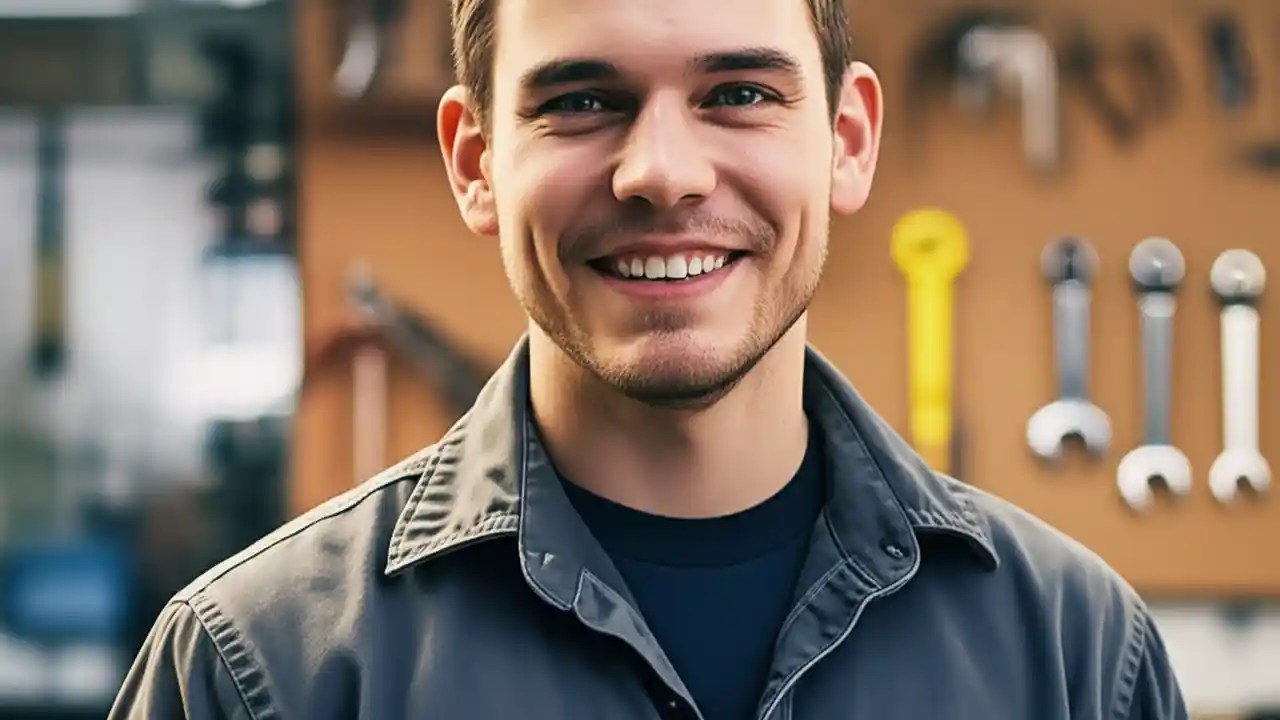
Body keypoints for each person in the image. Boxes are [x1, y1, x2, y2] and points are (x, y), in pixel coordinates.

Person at [109, 0, 1190, 717]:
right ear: (475, 161)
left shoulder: (1075, 659)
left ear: (847, 141)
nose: (661, 172)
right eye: (582, 100)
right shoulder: (258, 675)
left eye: (738, 94)